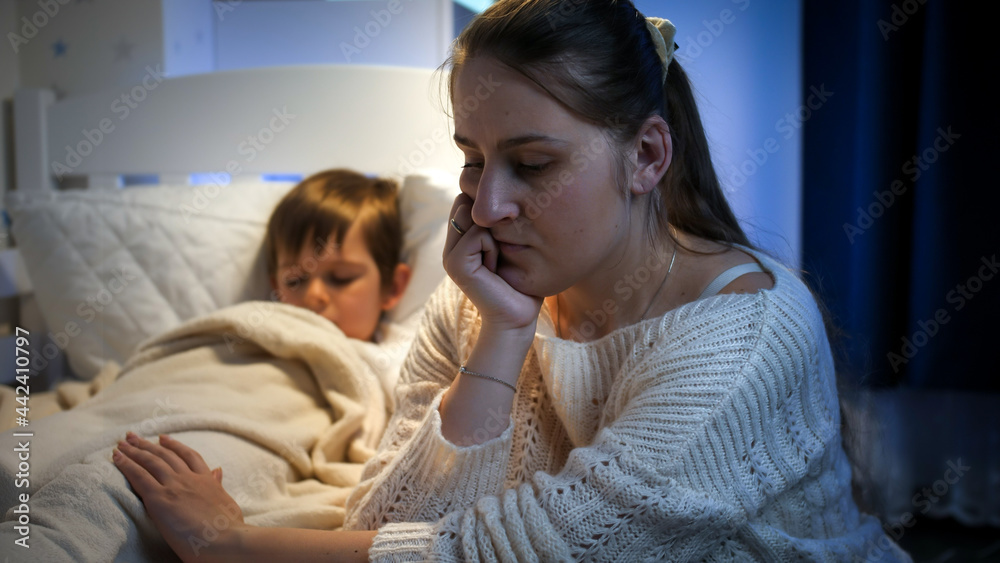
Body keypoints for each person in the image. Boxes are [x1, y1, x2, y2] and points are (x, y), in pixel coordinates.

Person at [112, 1, 911, 561]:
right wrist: (500, 339)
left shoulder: (743, 339)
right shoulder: (479, 296)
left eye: (532, 164)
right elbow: (391, 518)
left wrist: (233, 542)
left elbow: (548, 552)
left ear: (648, 157)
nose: (486, 205)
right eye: (472, 158)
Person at [265, 168, 412, 343]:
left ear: (392, 287)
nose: (314, 295)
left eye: (341, 278)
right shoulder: (255, 353)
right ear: (276, 289)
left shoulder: (413, 364)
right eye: (294, 280)